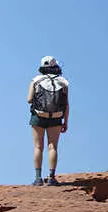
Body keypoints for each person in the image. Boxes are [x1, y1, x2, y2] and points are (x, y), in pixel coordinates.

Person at [28, 56, 69, 186]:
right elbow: (66, 105)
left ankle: (38, 178)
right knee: (52, 147)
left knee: (38, 147)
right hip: (56, 117)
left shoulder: (35, 80)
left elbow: (29, 99)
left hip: (38, 116)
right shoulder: (63, 82)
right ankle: (51, 178)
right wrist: (65, 122)